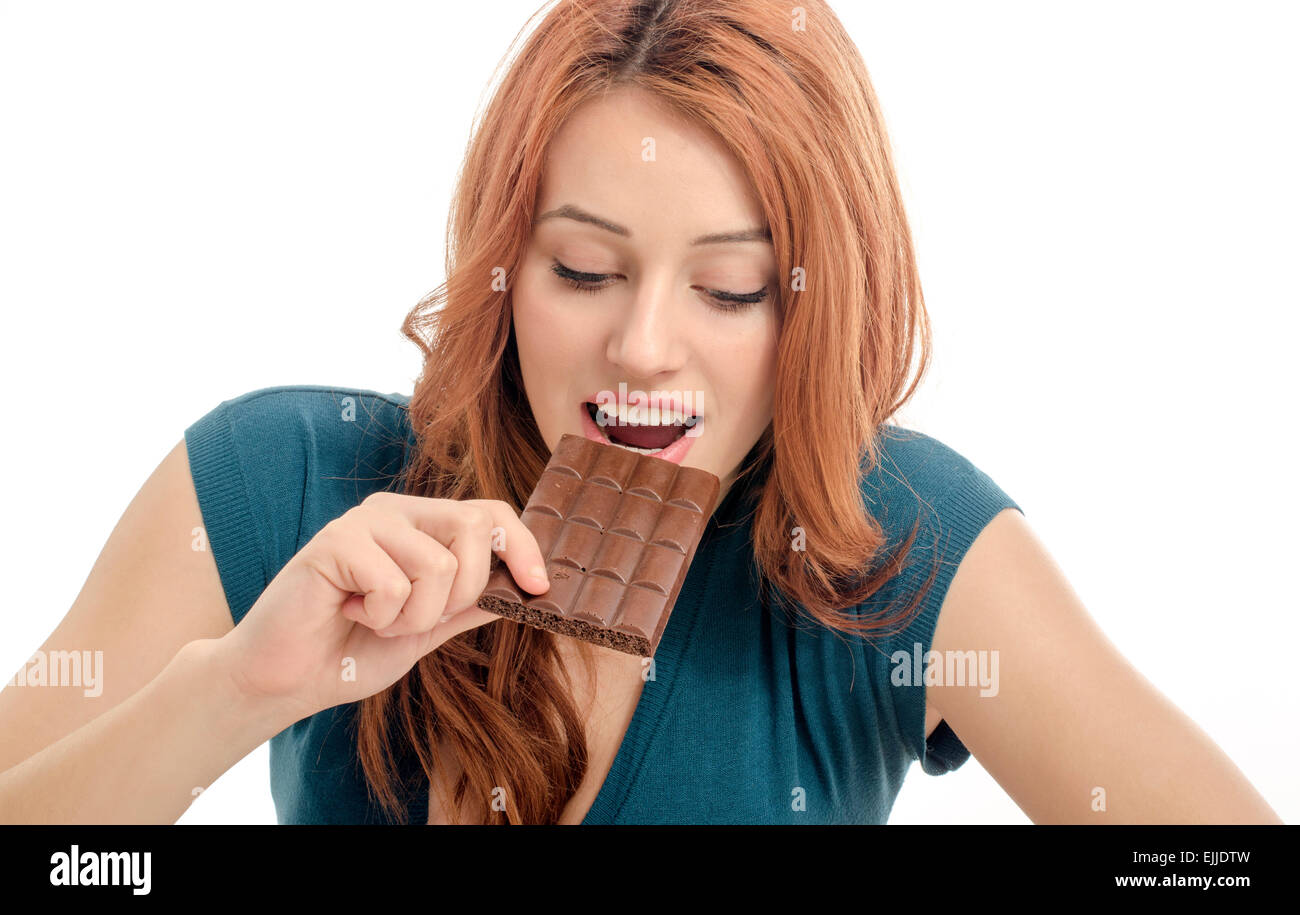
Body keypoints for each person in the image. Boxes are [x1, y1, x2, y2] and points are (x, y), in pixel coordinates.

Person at [0, 0, 1282, 825]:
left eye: (727, 288)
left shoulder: (899, 539)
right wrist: (231, 697)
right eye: (583, 271)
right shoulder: (281, 482)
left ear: (815, 308)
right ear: (503, 265)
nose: (645, 345)